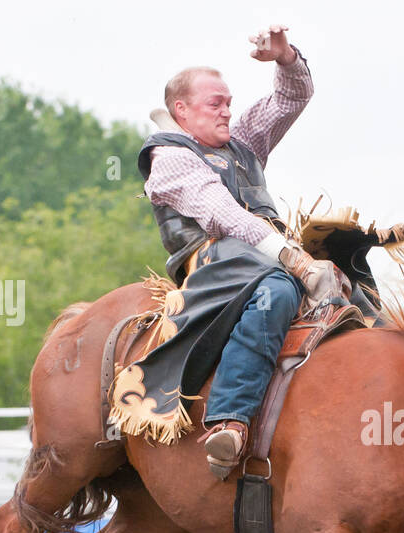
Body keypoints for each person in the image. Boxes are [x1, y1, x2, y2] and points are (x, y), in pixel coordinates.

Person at [139, 25, 347, 477]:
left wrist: (286, 58)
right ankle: (227, 420)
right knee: (277, 290)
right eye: (216, 104)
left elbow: (289, 101)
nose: (228, 111)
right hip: (212, 260)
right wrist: (292, 258)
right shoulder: (169, 157)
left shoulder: (241, 144)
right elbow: (220, 213)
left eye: (229, 102)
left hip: (263, 252)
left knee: (355, 289)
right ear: (181, 109)